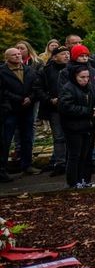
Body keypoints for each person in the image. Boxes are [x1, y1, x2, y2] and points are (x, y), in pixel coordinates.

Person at [58, 61, 95, 188]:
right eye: (82, 77)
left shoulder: (90, 87)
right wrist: (88, 111)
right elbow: (66, 107)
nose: (85, 80)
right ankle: (73, 181)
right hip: (73, 127)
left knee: (86, 154)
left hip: (88, 125)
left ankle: (85, 179)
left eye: (87, 77)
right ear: (75, 76)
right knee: (75, 154)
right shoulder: (68, 88)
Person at [1, 48, 37, 181]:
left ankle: (27, 165)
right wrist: (19, 98)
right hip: (10, 110)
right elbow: (3, 91)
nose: (18, 56)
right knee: (5, 140)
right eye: (14, 55)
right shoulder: (2, 72)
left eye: (18, 54)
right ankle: (2, 170)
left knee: (27, 138)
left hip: (27, 109)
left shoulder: (29, 70)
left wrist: (30, 98)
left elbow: (35, 86)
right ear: (7, 58)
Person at [37, 46, 71, 175]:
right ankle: (60, 163)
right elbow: (39, 88)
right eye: (63, 54)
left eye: (68, 53)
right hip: (54, 109)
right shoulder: (45, 70)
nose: (67, 56)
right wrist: (49, 99)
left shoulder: (73, 68)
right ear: (54, 57)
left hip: (71, 108)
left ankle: (73, 161)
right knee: (59, 137)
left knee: (73, 135)